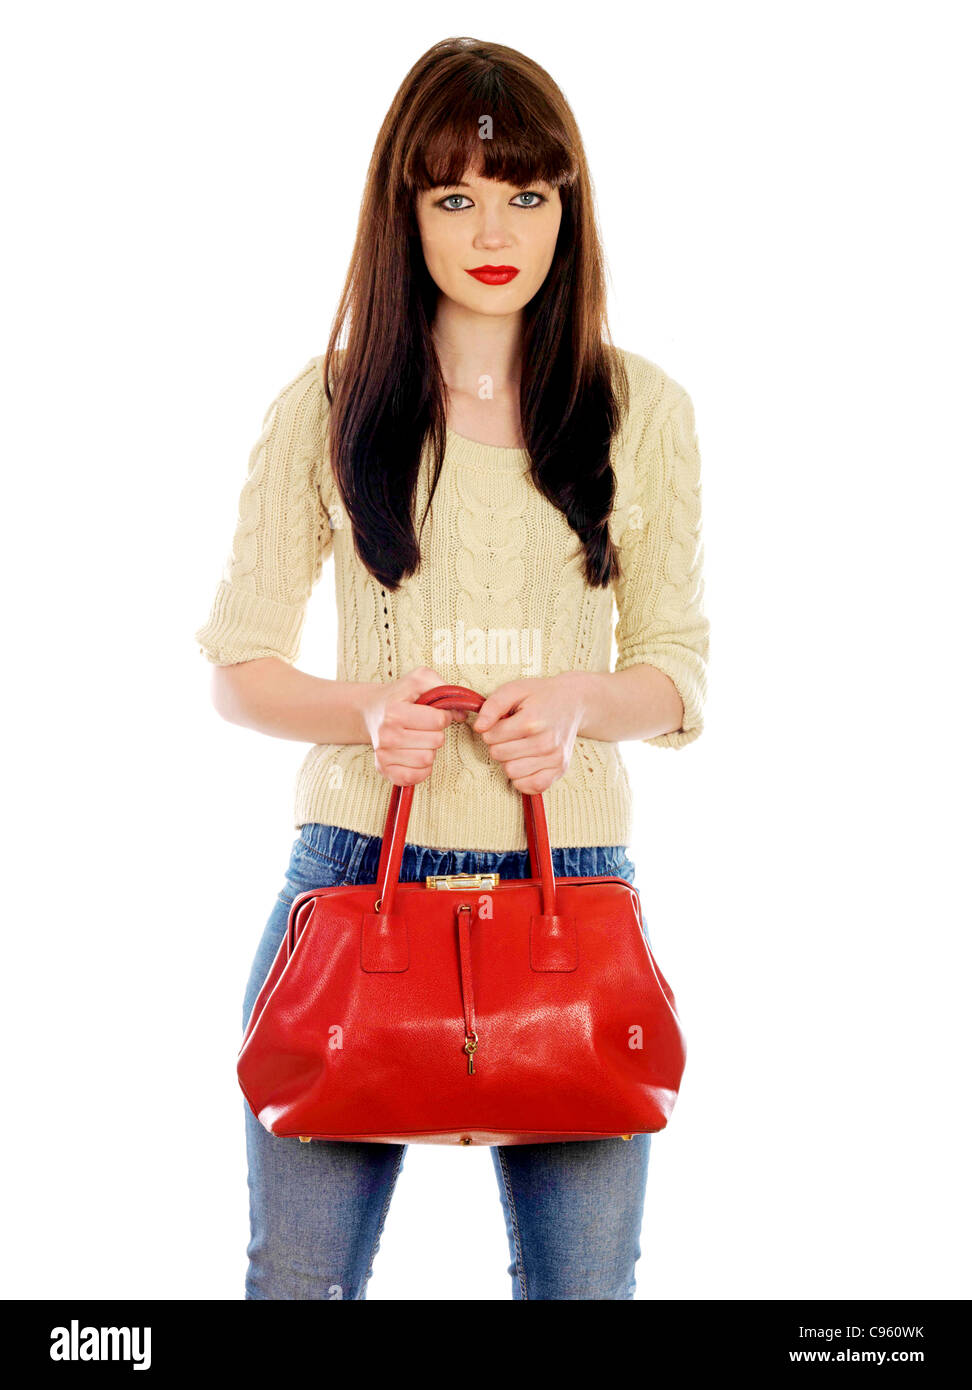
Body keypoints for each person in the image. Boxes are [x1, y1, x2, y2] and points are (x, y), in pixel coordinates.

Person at [194, 35, 709, 1301]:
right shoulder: (322, 405)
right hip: (355, 877)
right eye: (454, 195)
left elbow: (677, 668)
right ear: (403, 210)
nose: (495, 229)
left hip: (567, 892)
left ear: (566, 210)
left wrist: (583, 701)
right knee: (294, 1284)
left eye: (528, 194)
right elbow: (238, 668)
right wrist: (364, 707)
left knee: (584, 1289)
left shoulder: (640, 407)